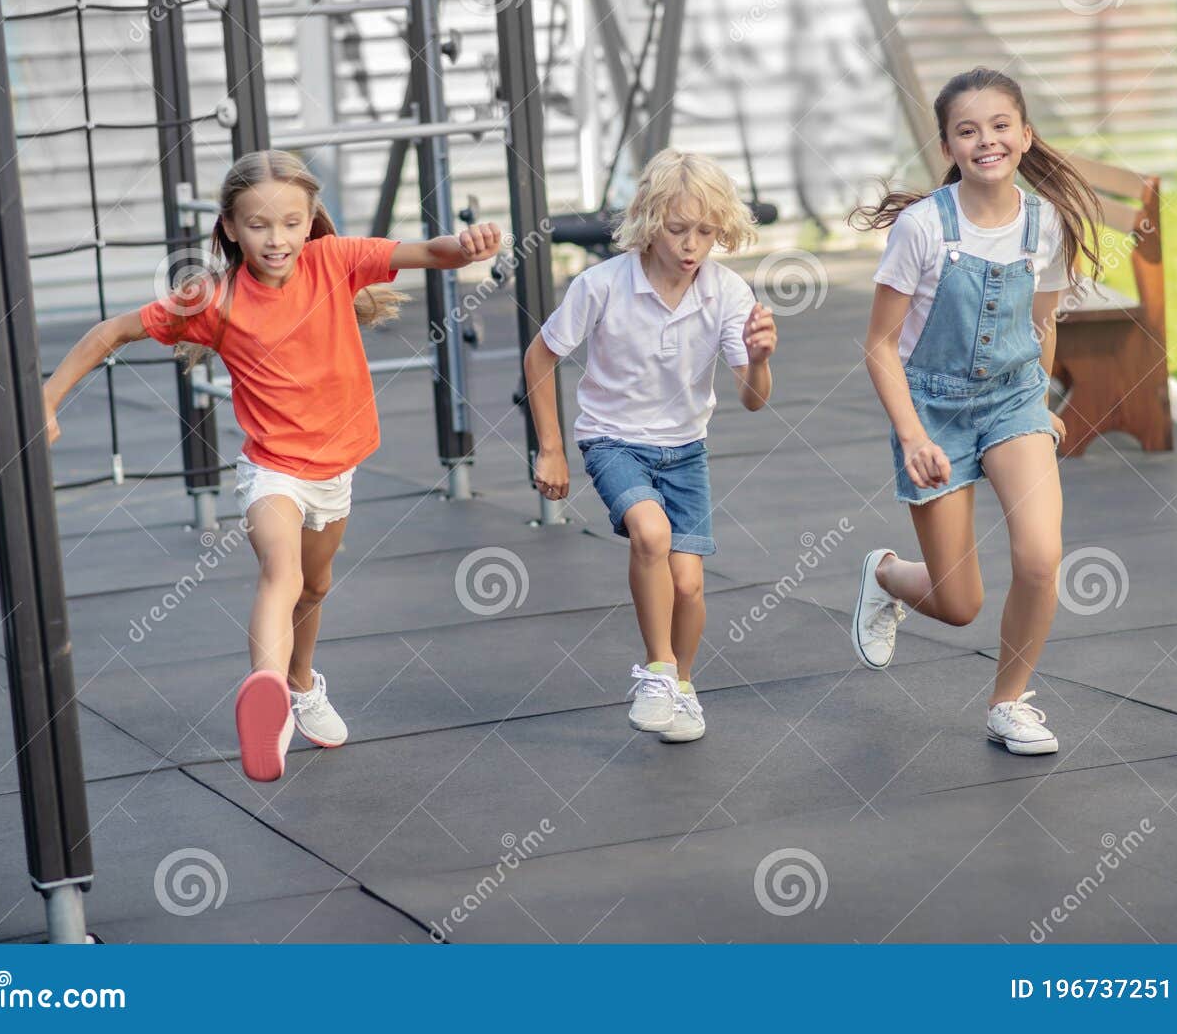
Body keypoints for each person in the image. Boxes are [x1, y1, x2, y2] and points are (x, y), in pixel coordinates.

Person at [43, 149, 501, 781]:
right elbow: (112, 332)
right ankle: (267, 695)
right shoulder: (214, 297)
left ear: (310, 217)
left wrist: (468, 244)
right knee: (281, 575)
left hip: (335, 469)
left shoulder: (334, 260)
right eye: (258, 225)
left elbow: (432, 254)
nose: (276, 238)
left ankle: (301, 682)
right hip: (272, 470)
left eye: (290, 222)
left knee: (315, 587)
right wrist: (47, 398)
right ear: (229, 227)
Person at [852, 67, 1103, 756]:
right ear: (949, 145)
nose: (986, 140)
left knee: (1040, 557)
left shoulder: (1045, 223)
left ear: (1025, 135)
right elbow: (878, 346)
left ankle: (1008, 701)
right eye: (968, 130)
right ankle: (885, 574)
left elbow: (1044, 321)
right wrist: (910, 436)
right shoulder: (921, 228)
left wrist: (1043, 403)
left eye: (1000, 125)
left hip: (1014, 401)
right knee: (958, 603)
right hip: (932, 410)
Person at [523, 149, 778, 744]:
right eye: (677, 228)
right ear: (648, 220)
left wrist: (761, 359)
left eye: (706, 232)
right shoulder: (603, 285)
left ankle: (683, 686)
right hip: (613, 441)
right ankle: (658, 670)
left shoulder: (726, 291)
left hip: (685, 450)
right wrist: (551, 448)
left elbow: (752, 399)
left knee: (688, 585)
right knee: (652, 536)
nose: (691, 245)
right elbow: (541, 355)